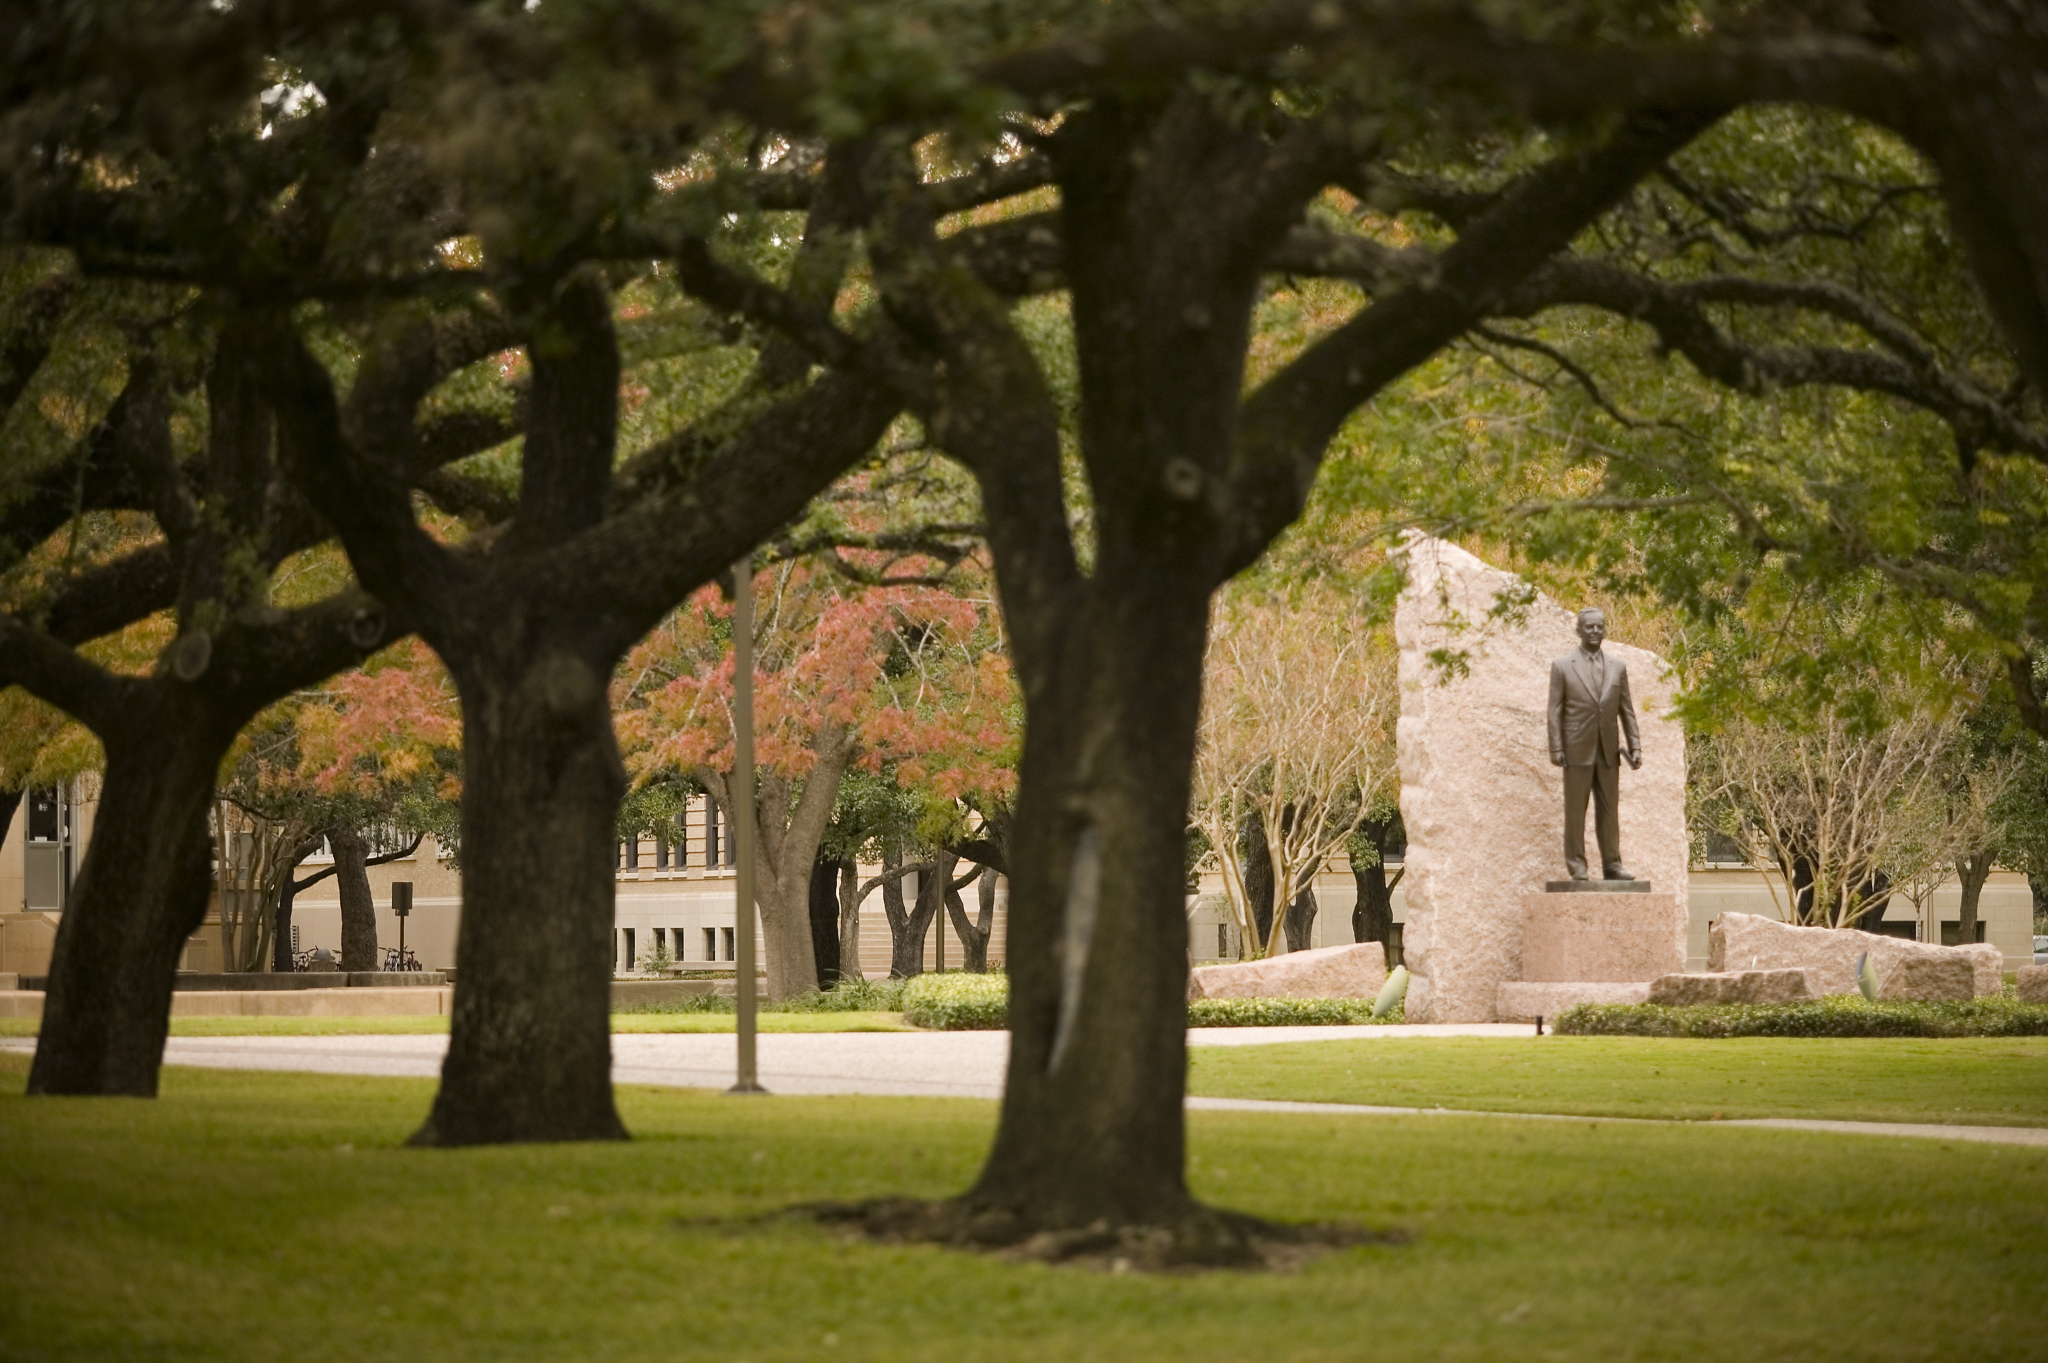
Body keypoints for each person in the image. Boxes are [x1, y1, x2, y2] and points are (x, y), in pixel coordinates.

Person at [1546, 608, 1641, 881]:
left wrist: (1635, 745)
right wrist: (1556, 747)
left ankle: (1612, 864)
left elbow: (1627, 710)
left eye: (1600, 627)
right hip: (1576, 749)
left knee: (1610, 810)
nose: (1595, 632)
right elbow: (1554, 711)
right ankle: (1577, 866)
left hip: (1609, 751)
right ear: (1578, 630)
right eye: (1589, 627)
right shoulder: (1563, 666)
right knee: (1576, 812)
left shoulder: (1618, 667)